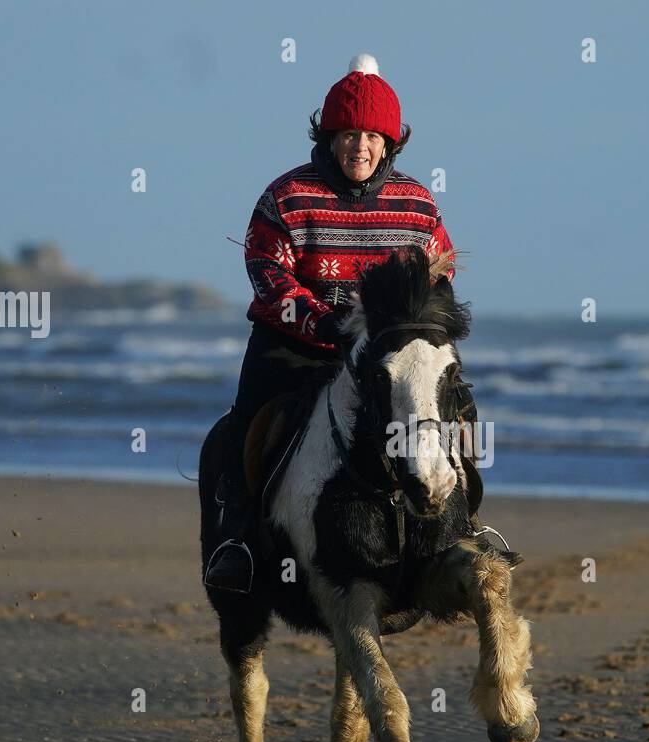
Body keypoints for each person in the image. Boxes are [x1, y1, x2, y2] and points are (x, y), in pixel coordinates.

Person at [205, 54, 488, 593]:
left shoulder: (418, 205)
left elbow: (438, 281)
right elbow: (267, 271)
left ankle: (464, 528)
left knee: (458, 410)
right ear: (329, 136)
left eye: (373, 136)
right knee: (240, 428)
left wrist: (418, 335)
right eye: (349, 133)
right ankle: (237, 542)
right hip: (293, 345)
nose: (361, 146)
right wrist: (323, 324)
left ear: (390, 143)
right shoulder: (286, 197)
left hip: (382, 354)